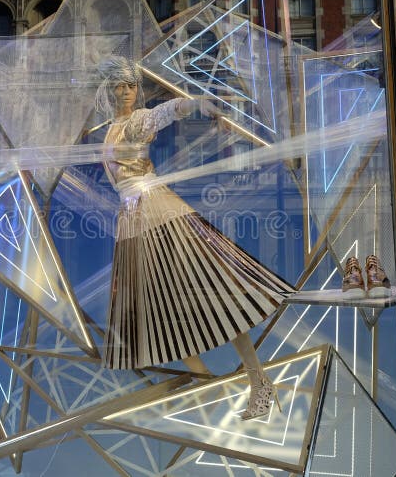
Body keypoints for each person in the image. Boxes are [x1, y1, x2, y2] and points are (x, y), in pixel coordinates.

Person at [94, 56, 296, 419]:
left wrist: (194, 104)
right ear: (111, 91)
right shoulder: (111, 130)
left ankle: (256, 381)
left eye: (130, 86)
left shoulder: (137, 122)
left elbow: (164, 113)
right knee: (157, 307)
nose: (125, 92)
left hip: (156, 211)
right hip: (133, 219)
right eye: (119, 86)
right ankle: (209, 383)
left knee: (209, 290)